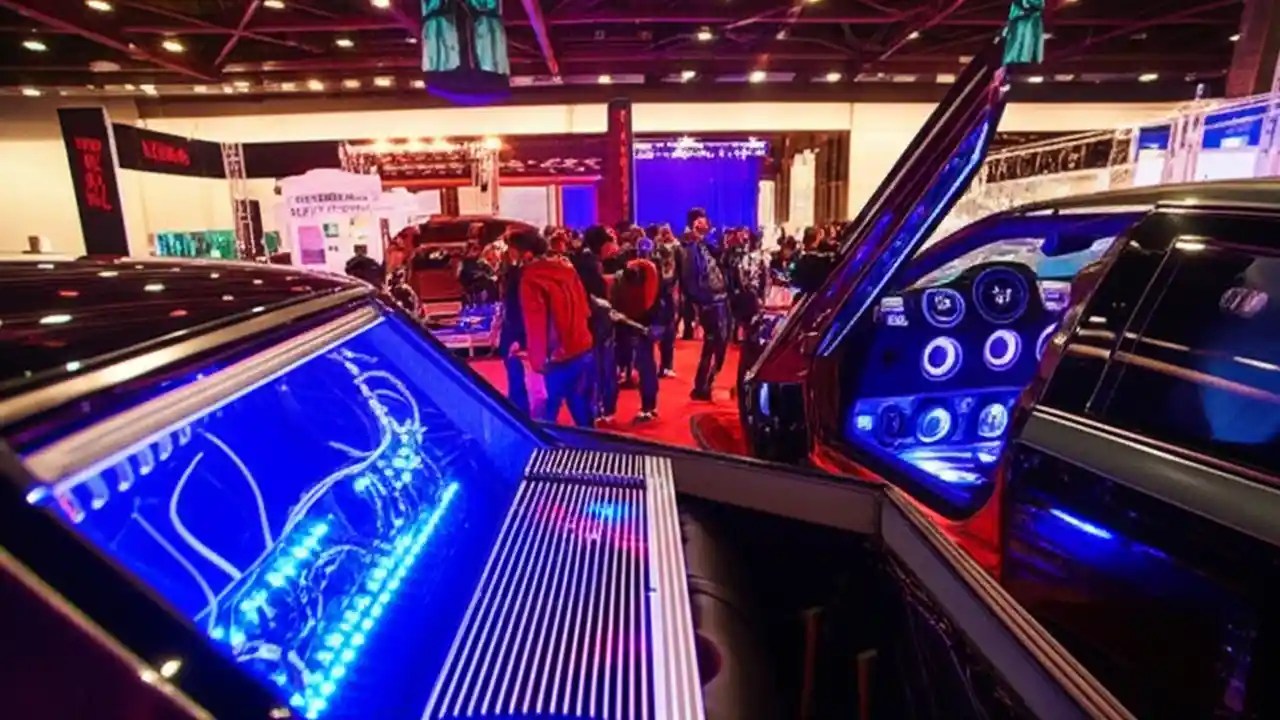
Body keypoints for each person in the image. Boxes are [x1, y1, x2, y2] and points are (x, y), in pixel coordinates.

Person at [512, 230, 595, 427]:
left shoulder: (531, 278)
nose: (509, 255)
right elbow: (585, 308)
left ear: (526, 253)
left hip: (556, 356)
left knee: (545, 419)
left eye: (512, 251)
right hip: (581, 346)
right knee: (582, 410)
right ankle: (595, 452)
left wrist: (537, 361)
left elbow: (536, 322)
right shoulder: (567, 268)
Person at [679, 207, 729, 402]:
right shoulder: (689, 247)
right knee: (714, 343)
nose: (707, 223)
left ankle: (705, 384)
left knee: (718, 344)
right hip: (710, 302)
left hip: (719, 299)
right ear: (695, 223)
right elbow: (691, 278)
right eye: (703, 220)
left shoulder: (702, 244)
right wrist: (701, 302)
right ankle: (702, 386)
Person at [611, 236, 662, 422]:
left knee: (643, 364)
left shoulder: (649, 272)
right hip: (639, 324)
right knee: (645, 364)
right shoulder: (654, 271)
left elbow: (615, 300)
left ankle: (648, 406)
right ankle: (650, 406)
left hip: (633, 324)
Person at [576, 225, 619, 423]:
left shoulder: (584, 259)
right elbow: (595, 291)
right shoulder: (589, 263)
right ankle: (604, 408)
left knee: (598, 366)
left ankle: (600, 407)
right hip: (598, 321)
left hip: (592, 321)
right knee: (602, 366)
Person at [499, 236, 530, 416]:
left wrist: (517, 338)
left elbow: (516, 308)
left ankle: (520, 415)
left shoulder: (521, 276)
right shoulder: (515, 272)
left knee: (517, 377)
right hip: (514, 330)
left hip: (517, 332)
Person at [654, 241, 679, 377]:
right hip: (660, 306)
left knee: (668, 338)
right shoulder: (657, 268)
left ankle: (666, 366)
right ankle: (664, 366)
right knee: (663, 337)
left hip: (668, 306)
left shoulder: (672, 269)